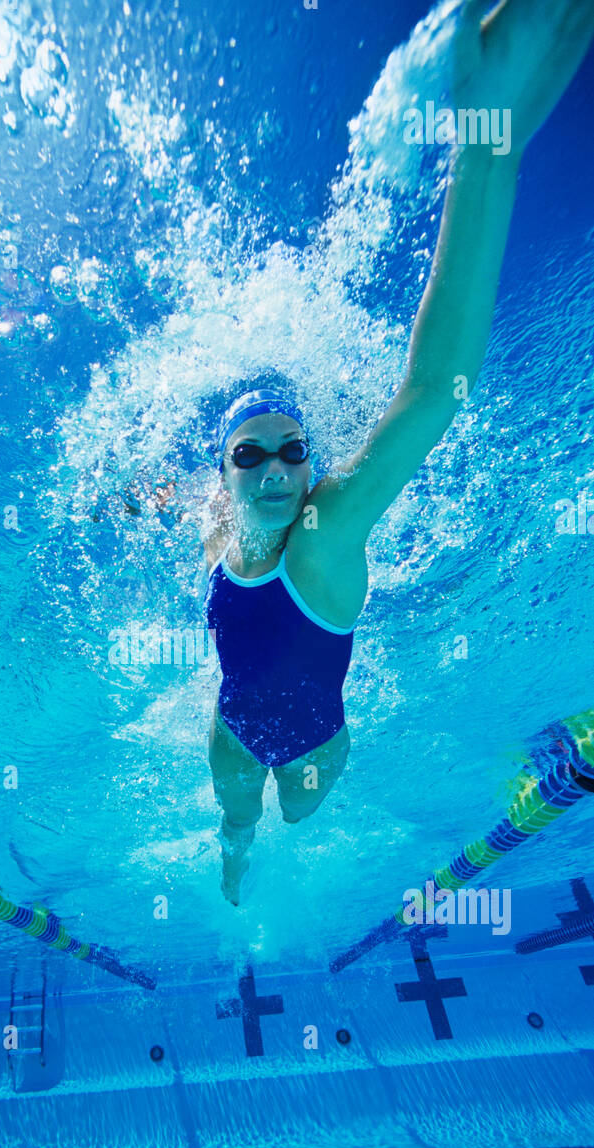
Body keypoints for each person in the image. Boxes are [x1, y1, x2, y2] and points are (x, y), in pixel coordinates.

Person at [200, 0, 594, 904]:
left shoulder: (323, 536)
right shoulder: (220, 519)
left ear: (309, 467)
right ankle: (234, 854)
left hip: (311, 749)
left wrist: (485, 158)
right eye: (247, 455)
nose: (270, 468)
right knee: (235, 826)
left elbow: (433, 388)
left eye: (289, 452)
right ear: (225, 473)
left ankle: (488, 150)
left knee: (297, 815)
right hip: (231, 735)